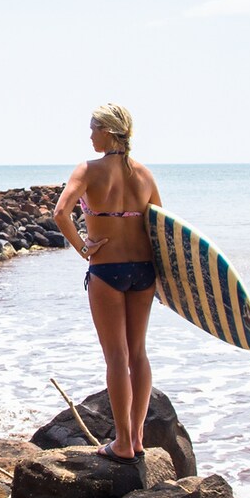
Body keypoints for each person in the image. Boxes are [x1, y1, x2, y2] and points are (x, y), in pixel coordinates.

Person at [53, 103, 161, 463]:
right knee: (138, 353)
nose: (90, 135)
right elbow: (162, 228)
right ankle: (139, 437)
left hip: (108, 271)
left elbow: (60, 212)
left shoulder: (88, 169)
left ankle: (123, 443)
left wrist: (84, 247)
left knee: (116, 357)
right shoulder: (144, 175)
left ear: (109, 131)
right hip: (144, 272)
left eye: (94, 128)